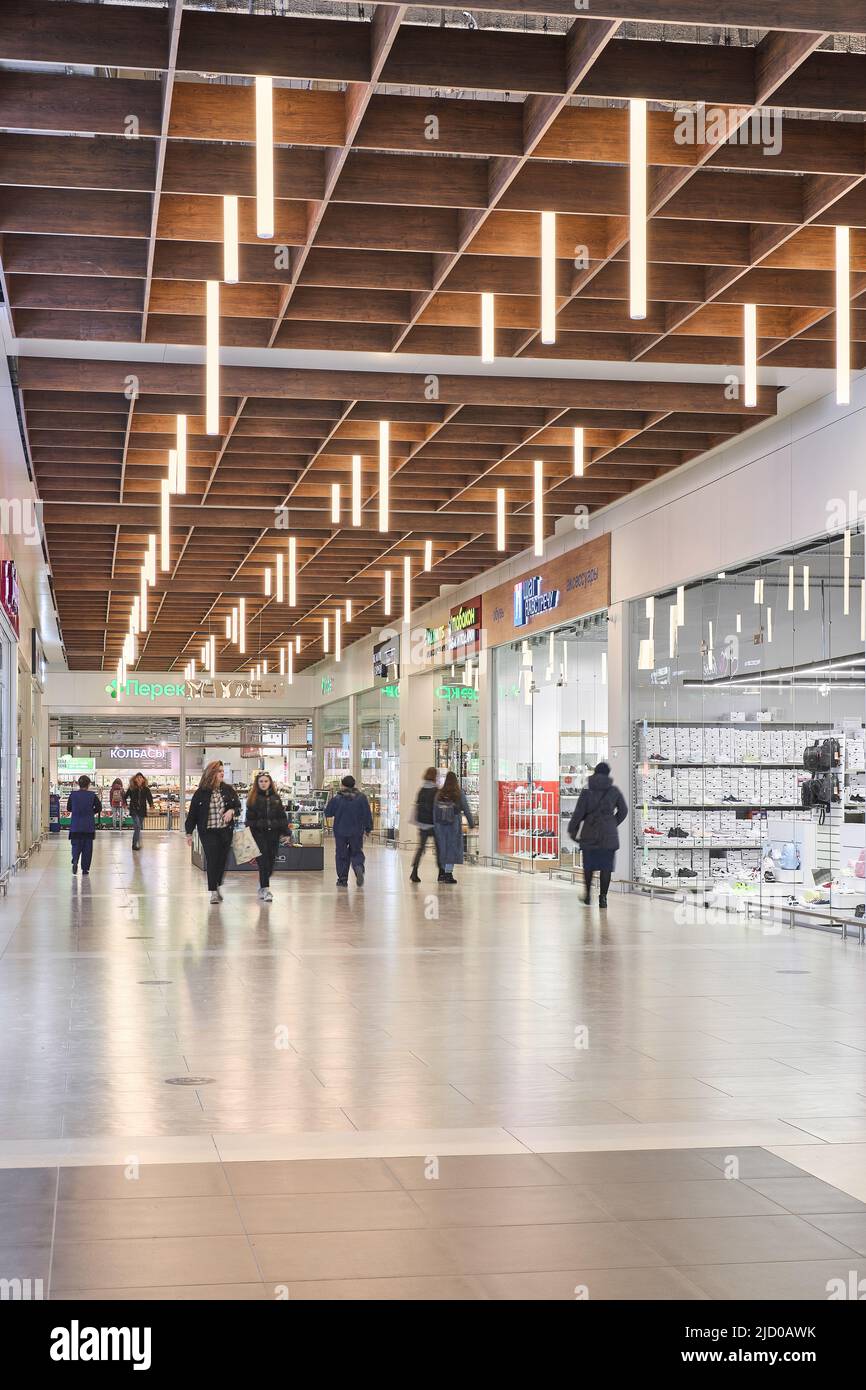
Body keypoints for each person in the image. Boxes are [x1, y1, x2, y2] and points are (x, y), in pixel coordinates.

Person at [567, 761, 628, 909]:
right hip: (609, 835)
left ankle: (588, 894)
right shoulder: (614, 791)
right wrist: (613, 823)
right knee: (606, 867)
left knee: (589, 866)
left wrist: (573, 829)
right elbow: (624, 810)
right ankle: (603, 898)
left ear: (595, 773)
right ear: (608, 774)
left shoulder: (587, 791)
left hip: (589, 833)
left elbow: (578, 813)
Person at [184, 760, 242, 904]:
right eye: (218, 771)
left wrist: (232, 810)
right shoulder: (201, 793)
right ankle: (213, 892)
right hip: (208, 832)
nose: (222, 773)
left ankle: (217, 885)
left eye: (222, 770)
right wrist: (189, 832)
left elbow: (238, 806)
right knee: (212, 859)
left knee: (222, 860)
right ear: (211, 773)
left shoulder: (228, 790)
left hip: (225, 831)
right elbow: (193, 814)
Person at [245, 771, 290, 903]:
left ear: (270, 782)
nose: (263, 784)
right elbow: (249, 820)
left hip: (273, 835)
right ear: (257, 783)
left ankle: (262, 884)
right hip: (259, 835)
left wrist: (286, 832)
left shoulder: (276, 798)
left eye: (266, 781)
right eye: (261, 781)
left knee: (270, 863)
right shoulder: (252, 799)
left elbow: (282, 817)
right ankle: (265, 888)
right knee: (263, 862)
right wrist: (254, 830)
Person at [324, 774, 373, 887]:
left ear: (342, 785)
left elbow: (328, 813)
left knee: (341, 854)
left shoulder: (337, 798)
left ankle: (342, 879)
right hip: (356, 831)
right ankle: (358, 867)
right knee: (356, 852)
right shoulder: (361, 798)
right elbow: (367, 814)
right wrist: (368, 828)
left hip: (340, 831)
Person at [433, 770, 475, 884]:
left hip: (440, 826)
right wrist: (471, 823)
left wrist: (435, 825)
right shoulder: (458, 793)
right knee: (451, 848)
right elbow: (466, 809)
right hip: (453, 825)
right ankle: (448, 874)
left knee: (443, 848)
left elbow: (435, 811)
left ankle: (442, 873)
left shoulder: (440, 793)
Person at [409, 767, 441, 883]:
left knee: (420, 848)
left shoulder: (421, 790)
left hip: (422, 824)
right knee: (439, 849)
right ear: (435, 776)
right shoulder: (437, 791)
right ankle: (441, 872)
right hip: (434, 824)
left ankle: (414, 871)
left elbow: (417, 805)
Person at [66, 774, 102, 876]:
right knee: (87, 848)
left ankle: (75, 860)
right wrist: (91, 812)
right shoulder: (92, 795)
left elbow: (69, 808)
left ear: (78, 784)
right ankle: (85, 869)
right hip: (88, 826)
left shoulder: (73, 795)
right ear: (89, 784)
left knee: (75, 845)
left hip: (75, 825)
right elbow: (99, 808)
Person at [126, 773, 154, 851]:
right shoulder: (131, 788)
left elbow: (149, 798)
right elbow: (125, 797)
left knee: (138, 827)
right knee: (138, 826)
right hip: (133, 809)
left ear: (143, 779)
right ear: (134, 779)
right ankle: (134, 844)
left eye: (141, 777)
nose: (139, 779)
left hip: (142, 810)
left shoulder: (146, 789)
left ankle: (137, 841)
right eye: (137, 777)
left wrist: (151, 805)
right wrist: (125, 805)